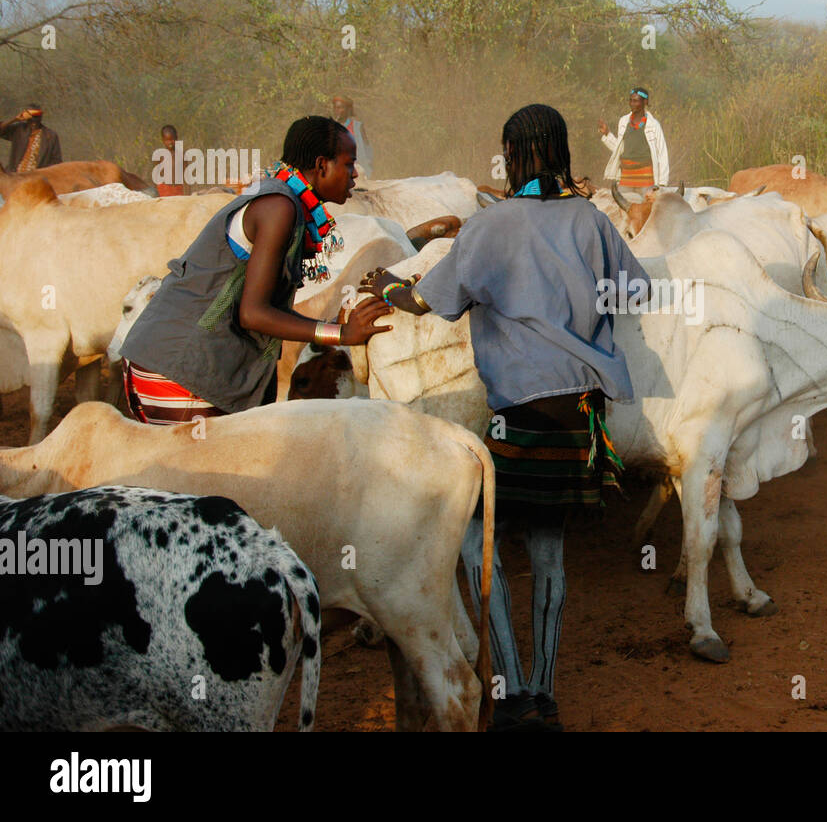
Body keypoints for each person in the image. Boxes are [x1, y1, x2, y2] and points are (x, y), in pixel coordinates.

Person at [363, 103, 651, 731]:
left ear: (512, 155)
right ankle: (544, 697)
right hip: (579, 411)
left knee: (477, 542)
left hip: (514, 413)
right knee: (550, 551)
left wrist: (384, 283)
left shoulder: (485, 229)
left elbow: (425, 301)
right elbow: (637, 292)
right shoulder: (591, 219)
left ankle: (513, 690)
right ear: (564, 151)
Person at [119, 116, 391, 423]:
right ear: (321, 165)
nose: (354, 173)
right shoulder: (279, 208)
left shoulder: (278, 197)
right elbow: (255, 313)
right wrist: (341, 333)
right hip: (180, 375)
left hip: (160, 361)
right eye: (348, 163)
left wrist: (331, 327)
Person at [599, 86, 669, 190]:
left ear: (645, 102)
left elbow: (662, 153)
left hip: (646, 177)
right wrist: (607, 134)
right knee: (622, 205)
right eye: (631, 100)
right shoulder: (623, 121)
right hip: (626, 176)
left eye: (636, 101)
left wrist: (662, 182)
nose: (632, 104)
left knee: (646, 205)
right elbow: (619, 148)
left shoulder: (653, 125)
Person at [1, 104, 62, 171]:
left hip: (35, 177)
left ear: (41, 117)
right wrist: (15, 119)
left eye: (37, 117)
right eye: (31, 117)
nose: (34, 120)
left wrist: (43, 173)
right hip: (15, 175)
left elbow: (56, 160)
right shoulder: (19, 130)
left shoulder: (50, 136)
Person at [331, 95, 373, 176]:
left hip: (356, 170)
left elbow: (367, 149)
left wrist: (368, 169)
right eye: (336, 108)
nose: (338, 111)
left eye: (341, 108)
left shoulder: (357, 127)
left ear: (348, 110)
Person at [157, 124, 184, 197]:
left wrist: (187, 195)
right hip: (164, 190)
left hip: (178, 189)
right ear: (163, 140)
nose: (170, 142)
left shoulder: (182, 156)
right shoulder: (160, 157)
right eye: (167, 140)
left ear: (176, 138)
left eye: (172, 139)